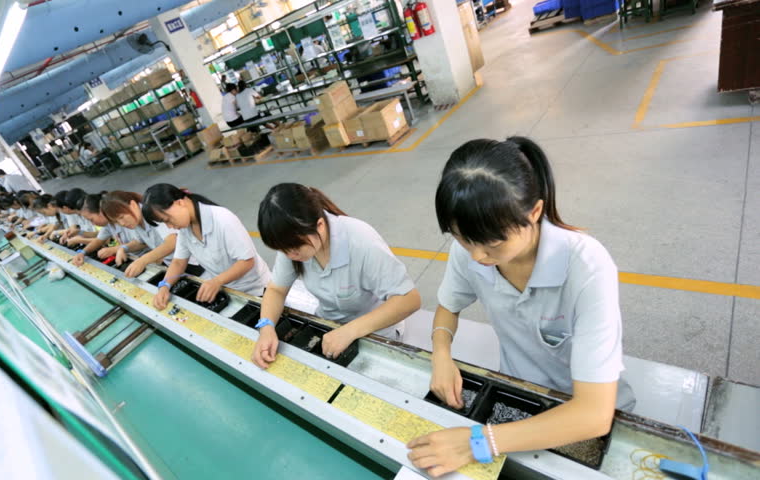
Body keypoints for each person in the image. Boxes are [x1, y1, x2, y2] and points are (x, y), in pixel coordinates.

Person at [406, 137, 634, 477]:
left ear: (535, 212)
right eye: (461, 239)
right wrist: (441, 354)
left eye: (493, 244)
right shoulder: (471, 249)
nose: (477, 257)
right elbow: (447, 307)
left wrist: (476, 443)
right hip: (522, 399)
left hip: (584, 416)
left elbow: (594, 414)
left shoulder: (587, 267)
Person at [251, 183, 420, 369]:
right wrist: (266, 327)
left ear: (320, 226)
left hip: (375, 331)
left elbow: (409, 299)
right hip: (330, 326)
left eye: (294, 249)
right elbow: (276, 289)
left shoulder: (361, 242)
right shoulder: (292, 245)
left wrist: (350, 331)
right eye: (283, 250)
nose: (290, 256)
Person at [141, 184, 271, 310]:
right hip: (230, 291)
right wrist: (164, 286)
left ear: (180, 203)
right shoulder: (185, 228)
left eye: (167, 220)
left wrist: (216, 281)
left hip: (256, 290)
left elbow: (246, 261)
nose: (169, 227)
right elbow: (179, 261)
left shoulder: (222, 219)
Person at [100, 191, 178, 278]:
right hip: (173, 265)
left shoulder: (152, 212)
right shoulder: (136, 221)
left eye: (121, 217)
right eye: (116, 221)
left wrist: (142, 260)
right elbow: (141, 243)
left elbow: (172, 242)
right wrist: (123, 248)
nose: (121, 223)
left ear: (133, 205)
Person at [71, 193, 144, 267]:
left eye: (91, 219)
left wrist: (114, 249)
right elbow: (98, 240)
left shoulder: (128, 219)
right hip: (135, 257)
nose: (92, 224)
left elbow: (141, 242)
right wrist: (83, 252)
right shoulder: (108, 224)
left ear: (101, 212)